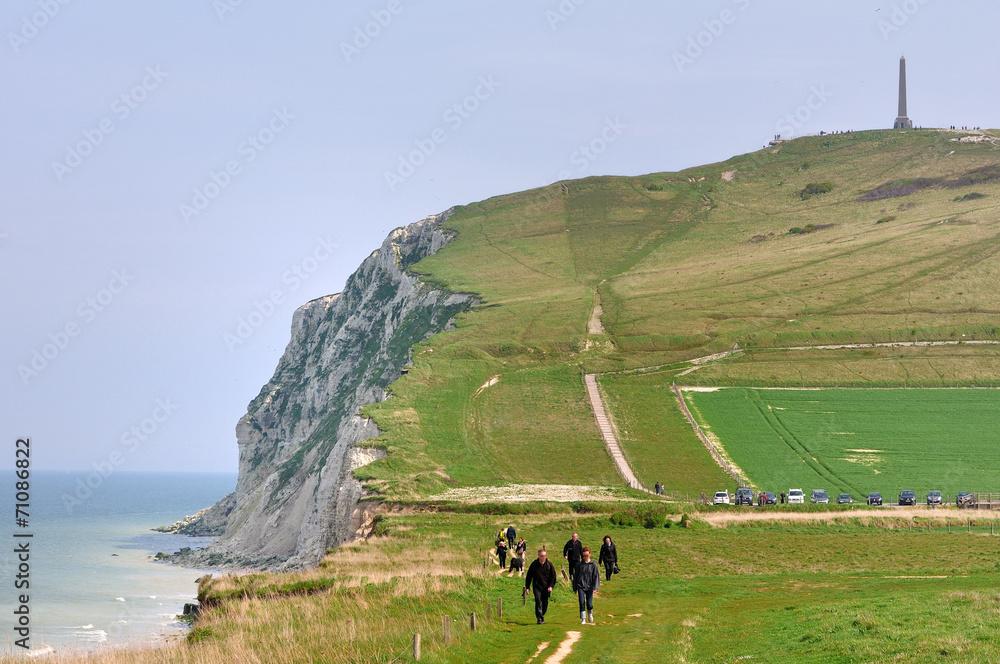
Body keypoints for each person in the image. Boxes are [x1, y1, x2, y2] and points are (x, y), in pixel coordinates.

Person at [525, 549, 557, 624]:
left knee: (545, 603)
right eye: (542, 556)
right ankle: (539, 618)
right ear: (538, 556)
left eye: (545, 556)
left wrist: (551, 586)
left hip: (546, 588)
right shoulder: (534, 565)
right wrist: (527, 587)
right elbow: (529, 576)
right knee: (538, 601)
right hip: (537, 587)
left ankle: (542, 615)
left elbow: (553, 577)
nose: (543, 557)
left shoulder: (549, 565)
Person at [573, 546, 600, 625]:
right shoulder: (579, 565)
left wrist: (596, 587)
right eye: (584, 555)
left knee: (589, 603)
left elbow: (596, 576)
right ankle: (583, 619)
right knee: (581, 602)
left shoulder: (593, 565)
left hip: (590, 586)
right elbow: (575, 577)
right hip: (580, 585)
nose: (585, 557)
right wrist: (575, 587)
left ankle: (590, 614)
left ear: (590, 554)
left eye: (587, 555)